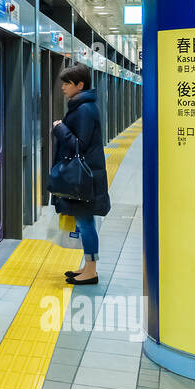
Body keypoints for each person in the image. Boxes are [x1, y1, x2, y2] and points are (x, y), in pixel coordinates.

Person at [51, 63, 110, 285]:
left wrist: (60, 128)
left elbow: (79, 144)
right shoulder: (81, 106)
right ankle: (87, 266)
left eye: (67, 83)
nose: (63, 87)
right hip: (84, 177)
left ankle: (91, 271)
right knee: (85, 222)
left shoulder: (84, 110)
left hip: (84, 179)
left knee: (86, 223)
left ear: (80, 84)